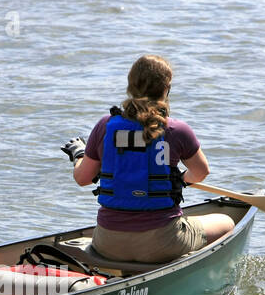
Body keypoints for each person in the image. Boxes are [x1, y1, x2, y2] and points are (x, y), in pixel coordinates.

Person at [60, 54, 237, 262]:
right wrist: (180, 179)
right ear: (166, 89)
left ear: (131, 86)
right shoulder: (176, 130)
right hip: (162, 242)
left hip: (107, 242)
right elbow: (201, 173)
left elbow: (83, 178)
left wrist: (79, 154)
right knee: (227, 222)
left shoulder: (105, 126)